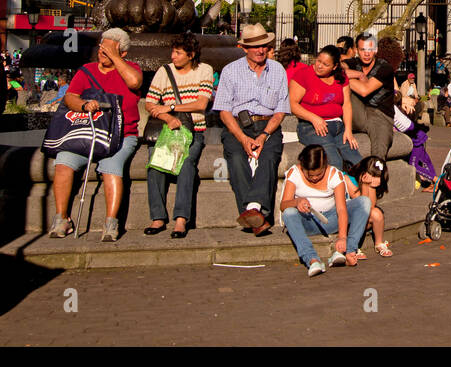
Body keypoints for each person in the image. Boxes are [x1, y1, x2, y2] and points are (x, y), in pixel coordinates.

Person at [50, 27, 142, 241]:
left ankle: (111, 222)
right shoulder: (86, 70)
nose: (104, 53)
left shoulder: (132, 68)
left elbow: (135, 83)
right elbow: (70, 97)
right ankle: (61, 218)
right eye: (102, 48)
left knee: (111, 167)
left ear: (123, 53)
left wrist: (115, 57)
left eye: (109, 50)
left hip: (121, 135)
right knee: (63, 162)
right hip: (86, 134)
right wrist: (83, 105)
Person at [213, 23, 291, 236]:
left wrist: (265, 135)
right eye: (255, 46)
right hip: (238, 126)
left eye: (264, 45)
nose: (261, 50)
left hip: (268, 125)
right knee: (236, 159)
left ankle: (250, 210)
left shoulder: (277, 70)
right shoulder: (230, 71)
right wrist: (242, 138)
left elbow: (281, 110)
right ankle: (257, 214)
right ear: (243, 48)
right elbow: (224, 111)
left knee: (268, 158)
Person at [142, 32, 214, 239]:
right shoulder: (164, 71)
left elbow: (201, 104)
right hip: (167, 131)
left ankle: (181, 219)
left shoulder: (204, 70)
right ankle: (157, 217)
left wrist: (170, 107)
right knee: (155, 165)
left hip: (193, 132)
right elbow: (149, 104)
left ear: (191, 55)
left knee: (187, 164)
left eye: (178, 53)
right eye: (173, 52)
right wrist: (168, 118)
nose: (173, 56)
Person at [280, 144, 371, 276]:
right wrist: (296, 202)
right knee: (289, 212)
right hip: (307, 221)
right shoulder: (294, 173)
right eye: (310, 175)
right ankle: (312, 260)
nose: (315, 178)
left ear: (325, 166)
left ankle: (349, 251)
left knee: (364, 202)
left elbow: (341, 209)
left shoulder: (335, 174)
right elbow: (283, 205)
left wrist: (342, 237)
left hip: (330, 219)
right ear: (302, 167)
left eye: (319, 174)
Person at [291, 44, 361, 170]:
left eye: (325, 64)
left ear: (334, 67)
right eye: (318, 61)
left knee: (357, 162)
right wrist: (313, 118)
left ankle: (358, 189)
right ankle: (339, 189)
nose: (319, 66)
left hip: (338, 126)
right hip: (312, 126)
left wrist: (348, 131)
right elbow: (293, 104)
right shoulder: (303, 75)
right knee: (335, 162)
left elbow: (346, 104)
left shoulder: (341, 77)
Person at [343, 32, 398, 161]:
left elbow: (365, 90)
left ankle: (377, 178)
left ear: (376, 50)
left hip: (380, 115)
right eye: (362, 50)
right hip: (358, 112)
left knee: (377, 157)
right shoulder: (353, 63)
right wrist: (357, 74)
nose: (367, 53)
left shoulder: (385, 68)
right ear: (356, 50)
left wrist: (343, 78)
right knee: (341, 85)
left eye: (370, 49)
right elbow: (338, 66)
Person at [345, 155, 393, 257]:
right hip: (346, 219)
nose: (376, 179)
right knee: (364, 212)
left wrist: (371, 187)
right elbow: (362, 205)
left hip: (360, 217)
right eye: (373, 175)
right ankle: (353, 247)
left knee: (377, 213)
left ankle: (379, 243)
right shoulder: (348, 179)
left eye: (378, 177)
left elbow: (371, 207)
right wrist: (365, 185)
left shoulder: (372, 185)